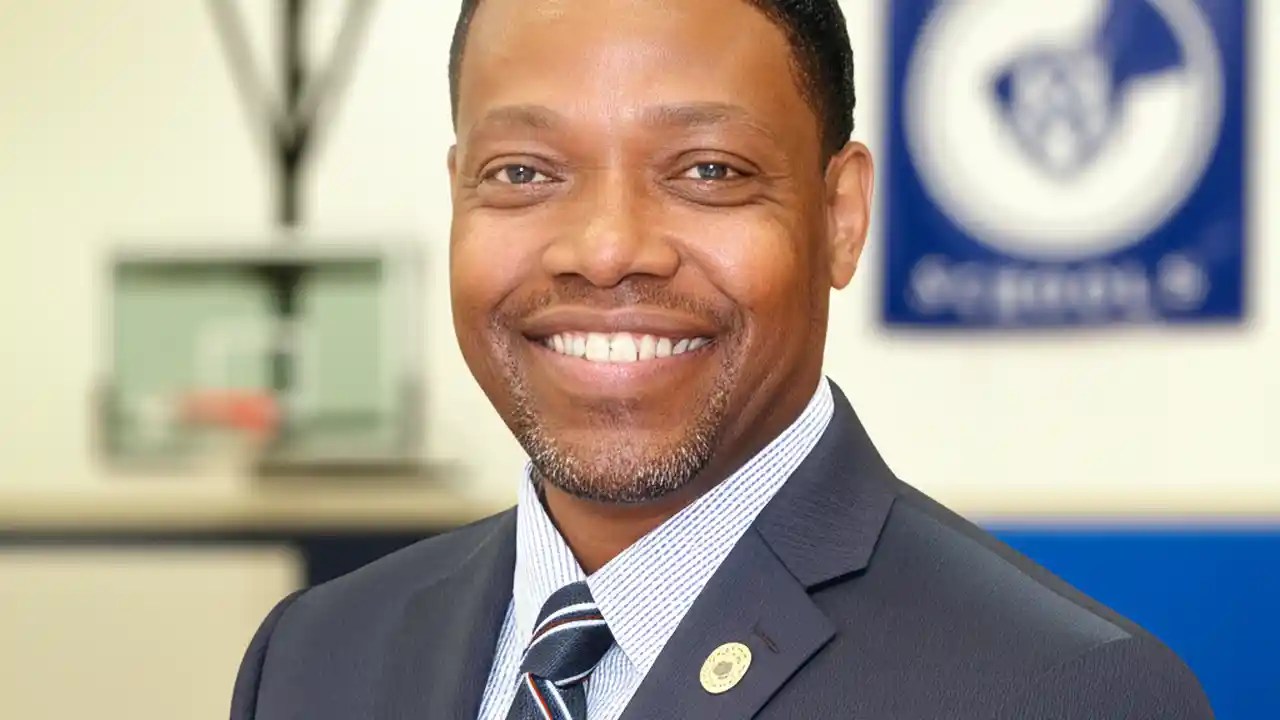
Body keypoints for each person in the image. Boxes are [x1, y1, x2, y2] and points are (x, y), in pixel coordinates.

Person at [230, 0, 1214, 717]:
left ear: (839, 216)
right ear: (458, 193)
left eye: (707, 171)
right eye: (522, 172)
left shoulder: (1060, 693)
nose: (606, 248)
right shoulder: (314, 658)